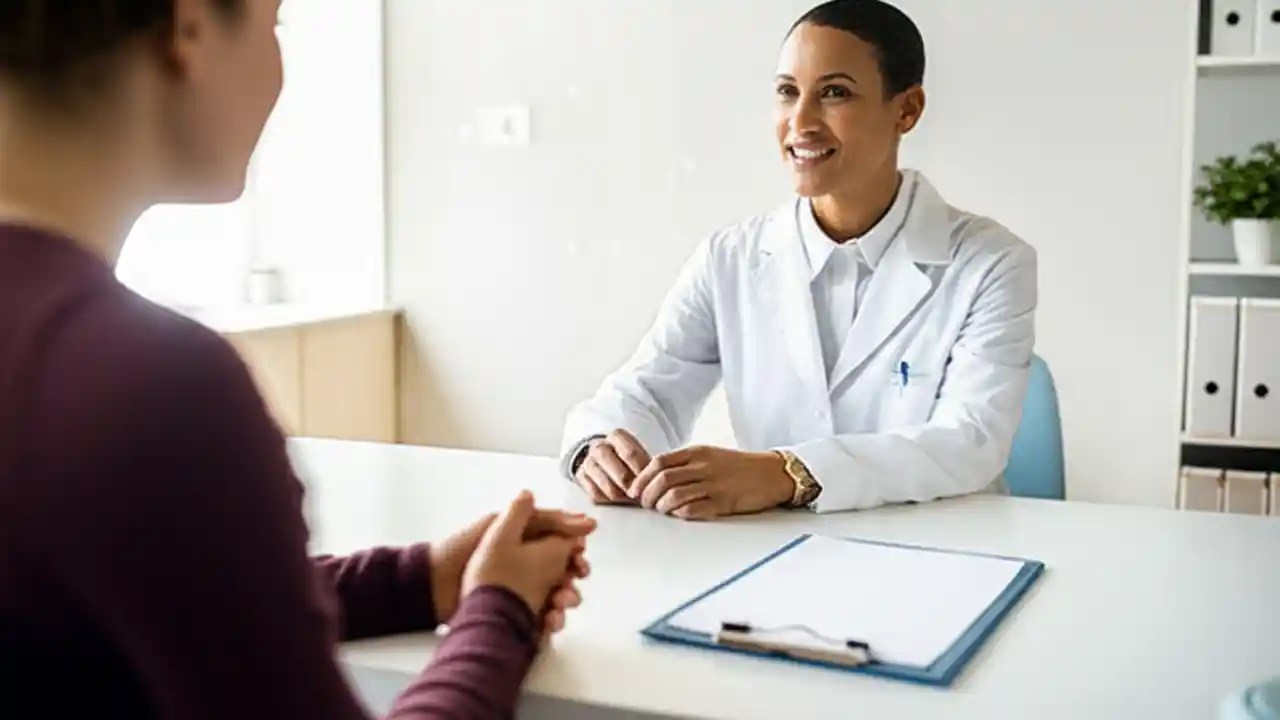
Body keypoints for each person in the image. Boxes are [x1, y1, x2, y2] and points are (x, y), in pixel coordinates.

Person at [0, 1, 594, 717]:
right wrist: (498, 614)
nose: (281, 67)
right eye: (274, 22)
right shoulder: (150, 387)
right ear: (189, 27)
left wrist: (422, 580)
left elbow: (174, 591)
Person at [562, 0, 1037, 519]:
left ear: (907, 109)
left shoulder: (991, 263)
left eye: (835, 93)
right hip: (774, 549)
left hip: (941, 548)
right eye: (788, 92)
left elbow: (968, 442)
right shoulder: (730, 258)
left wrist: (787, 472)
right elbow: (647, 389)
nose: (801, 122)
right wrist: (600, 445)